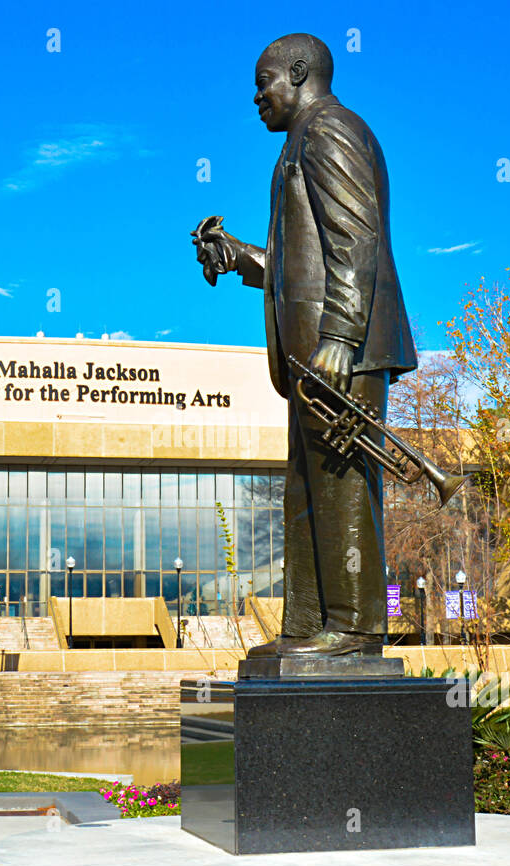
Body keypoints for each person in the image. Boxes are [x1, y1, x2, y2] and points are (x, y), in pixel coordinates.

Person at [192, 33, 416, 657]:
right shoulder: (301, 139)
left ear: (297, 72)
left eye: (264, 80)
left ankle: (352, 629)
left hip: (337, 350)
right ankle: (309, 626)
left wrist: (341, 336)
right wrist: (241, 257)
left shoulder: (329, 130)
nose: (256, 95)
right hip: (314, 354)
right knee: (307, 489)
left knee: (341, 483)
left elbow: (356, 238)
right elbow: (303, 266)